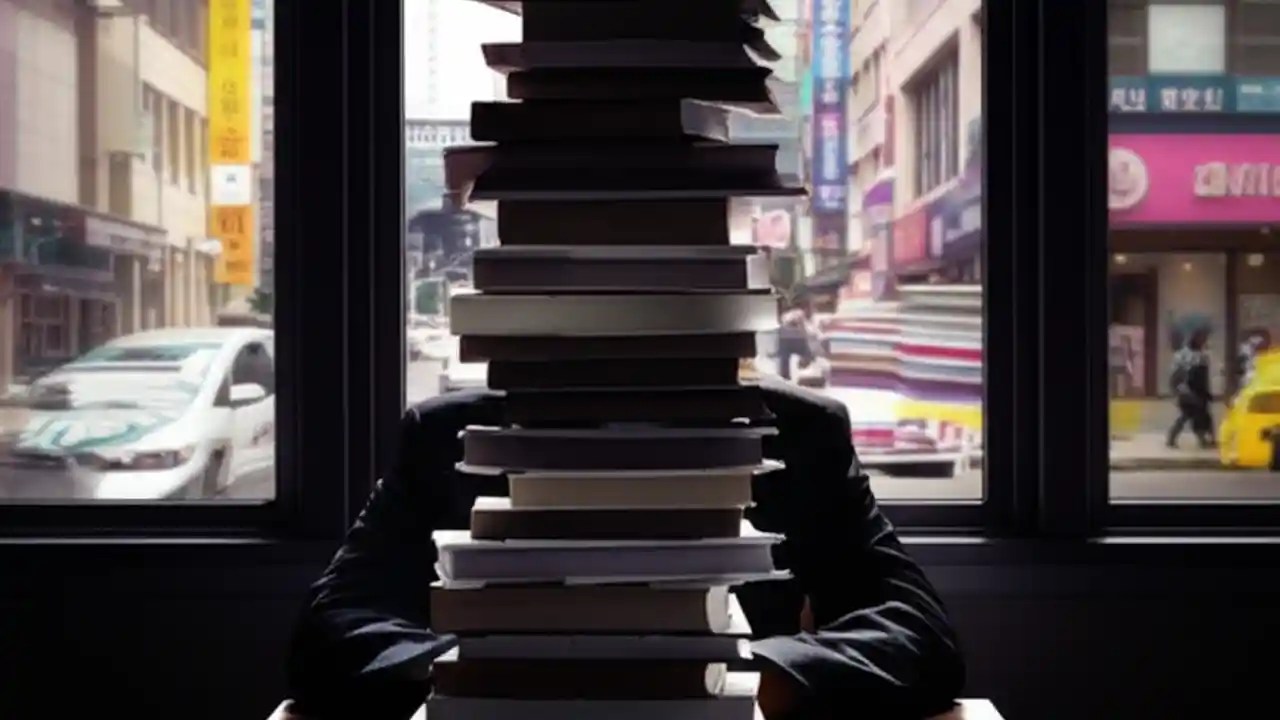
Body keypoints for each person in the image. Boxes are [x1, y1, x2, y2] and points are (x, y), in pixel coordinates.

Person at [283, 377, 965, 720]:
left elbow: (919, 636)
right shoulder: (450, 437)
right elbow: (328, 638)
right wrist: (483, 672)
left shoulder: (796, 434)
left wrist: (749, 678)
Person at [1167, 328, 1215, 449]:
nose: (1204, 342)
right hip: (1187, 390)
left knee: (1198, 414)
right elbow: (1176, 375)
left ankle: (1202, 439)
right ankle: (1173, 437)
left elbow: (1204, 377)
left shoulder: (1203, 355)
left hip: (1198, 391)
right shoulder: (1183, 355)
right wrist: (1180, 389)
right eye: (1202, 339)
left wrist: (1206, 392)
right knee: (1189, 414)